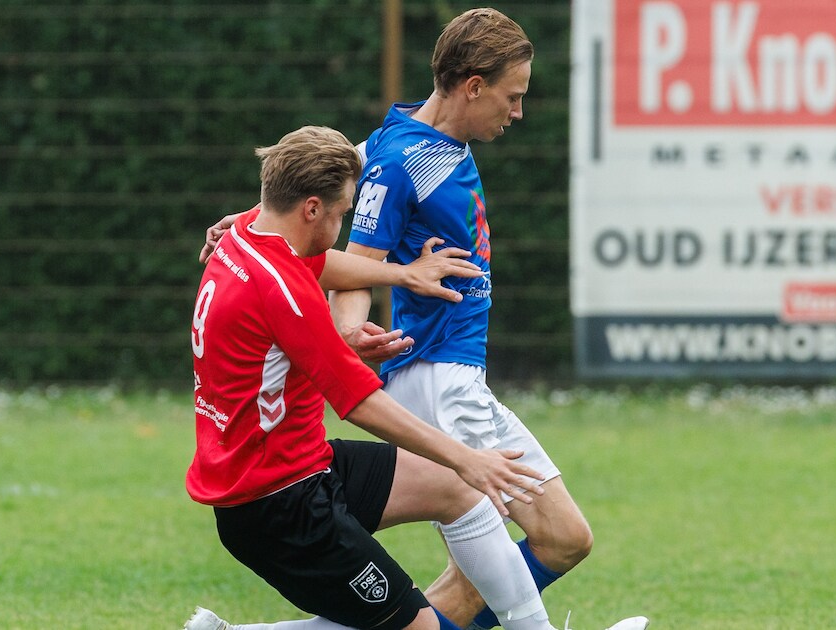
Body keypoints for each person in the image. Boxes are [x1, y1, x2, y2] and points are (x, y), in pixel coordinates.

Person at [198, 11, 649, 630]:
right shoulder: (409, 159)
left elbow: (323, 176)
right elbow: (356, 252)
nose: (516, 113)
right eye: (511, 97)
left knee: (556, 541)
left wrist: (257, 221)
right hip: (439, 379)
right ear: (472, 85)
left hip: (449, 377)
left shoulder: (404, 142)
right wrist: (343, 320)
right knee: (531, 540)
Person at [184, 125, 563, 630]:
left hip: (299, 465)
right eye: (342, 212)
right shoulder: (283, 289)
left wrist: (404, 274)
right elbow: (358, 399)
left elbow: (319, 266)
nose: (345, 225)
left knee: (456, 492)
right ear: (312, 209)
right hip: (277, 505)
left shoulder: (248, 234)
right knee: (421, 624)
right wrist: (467, 456)